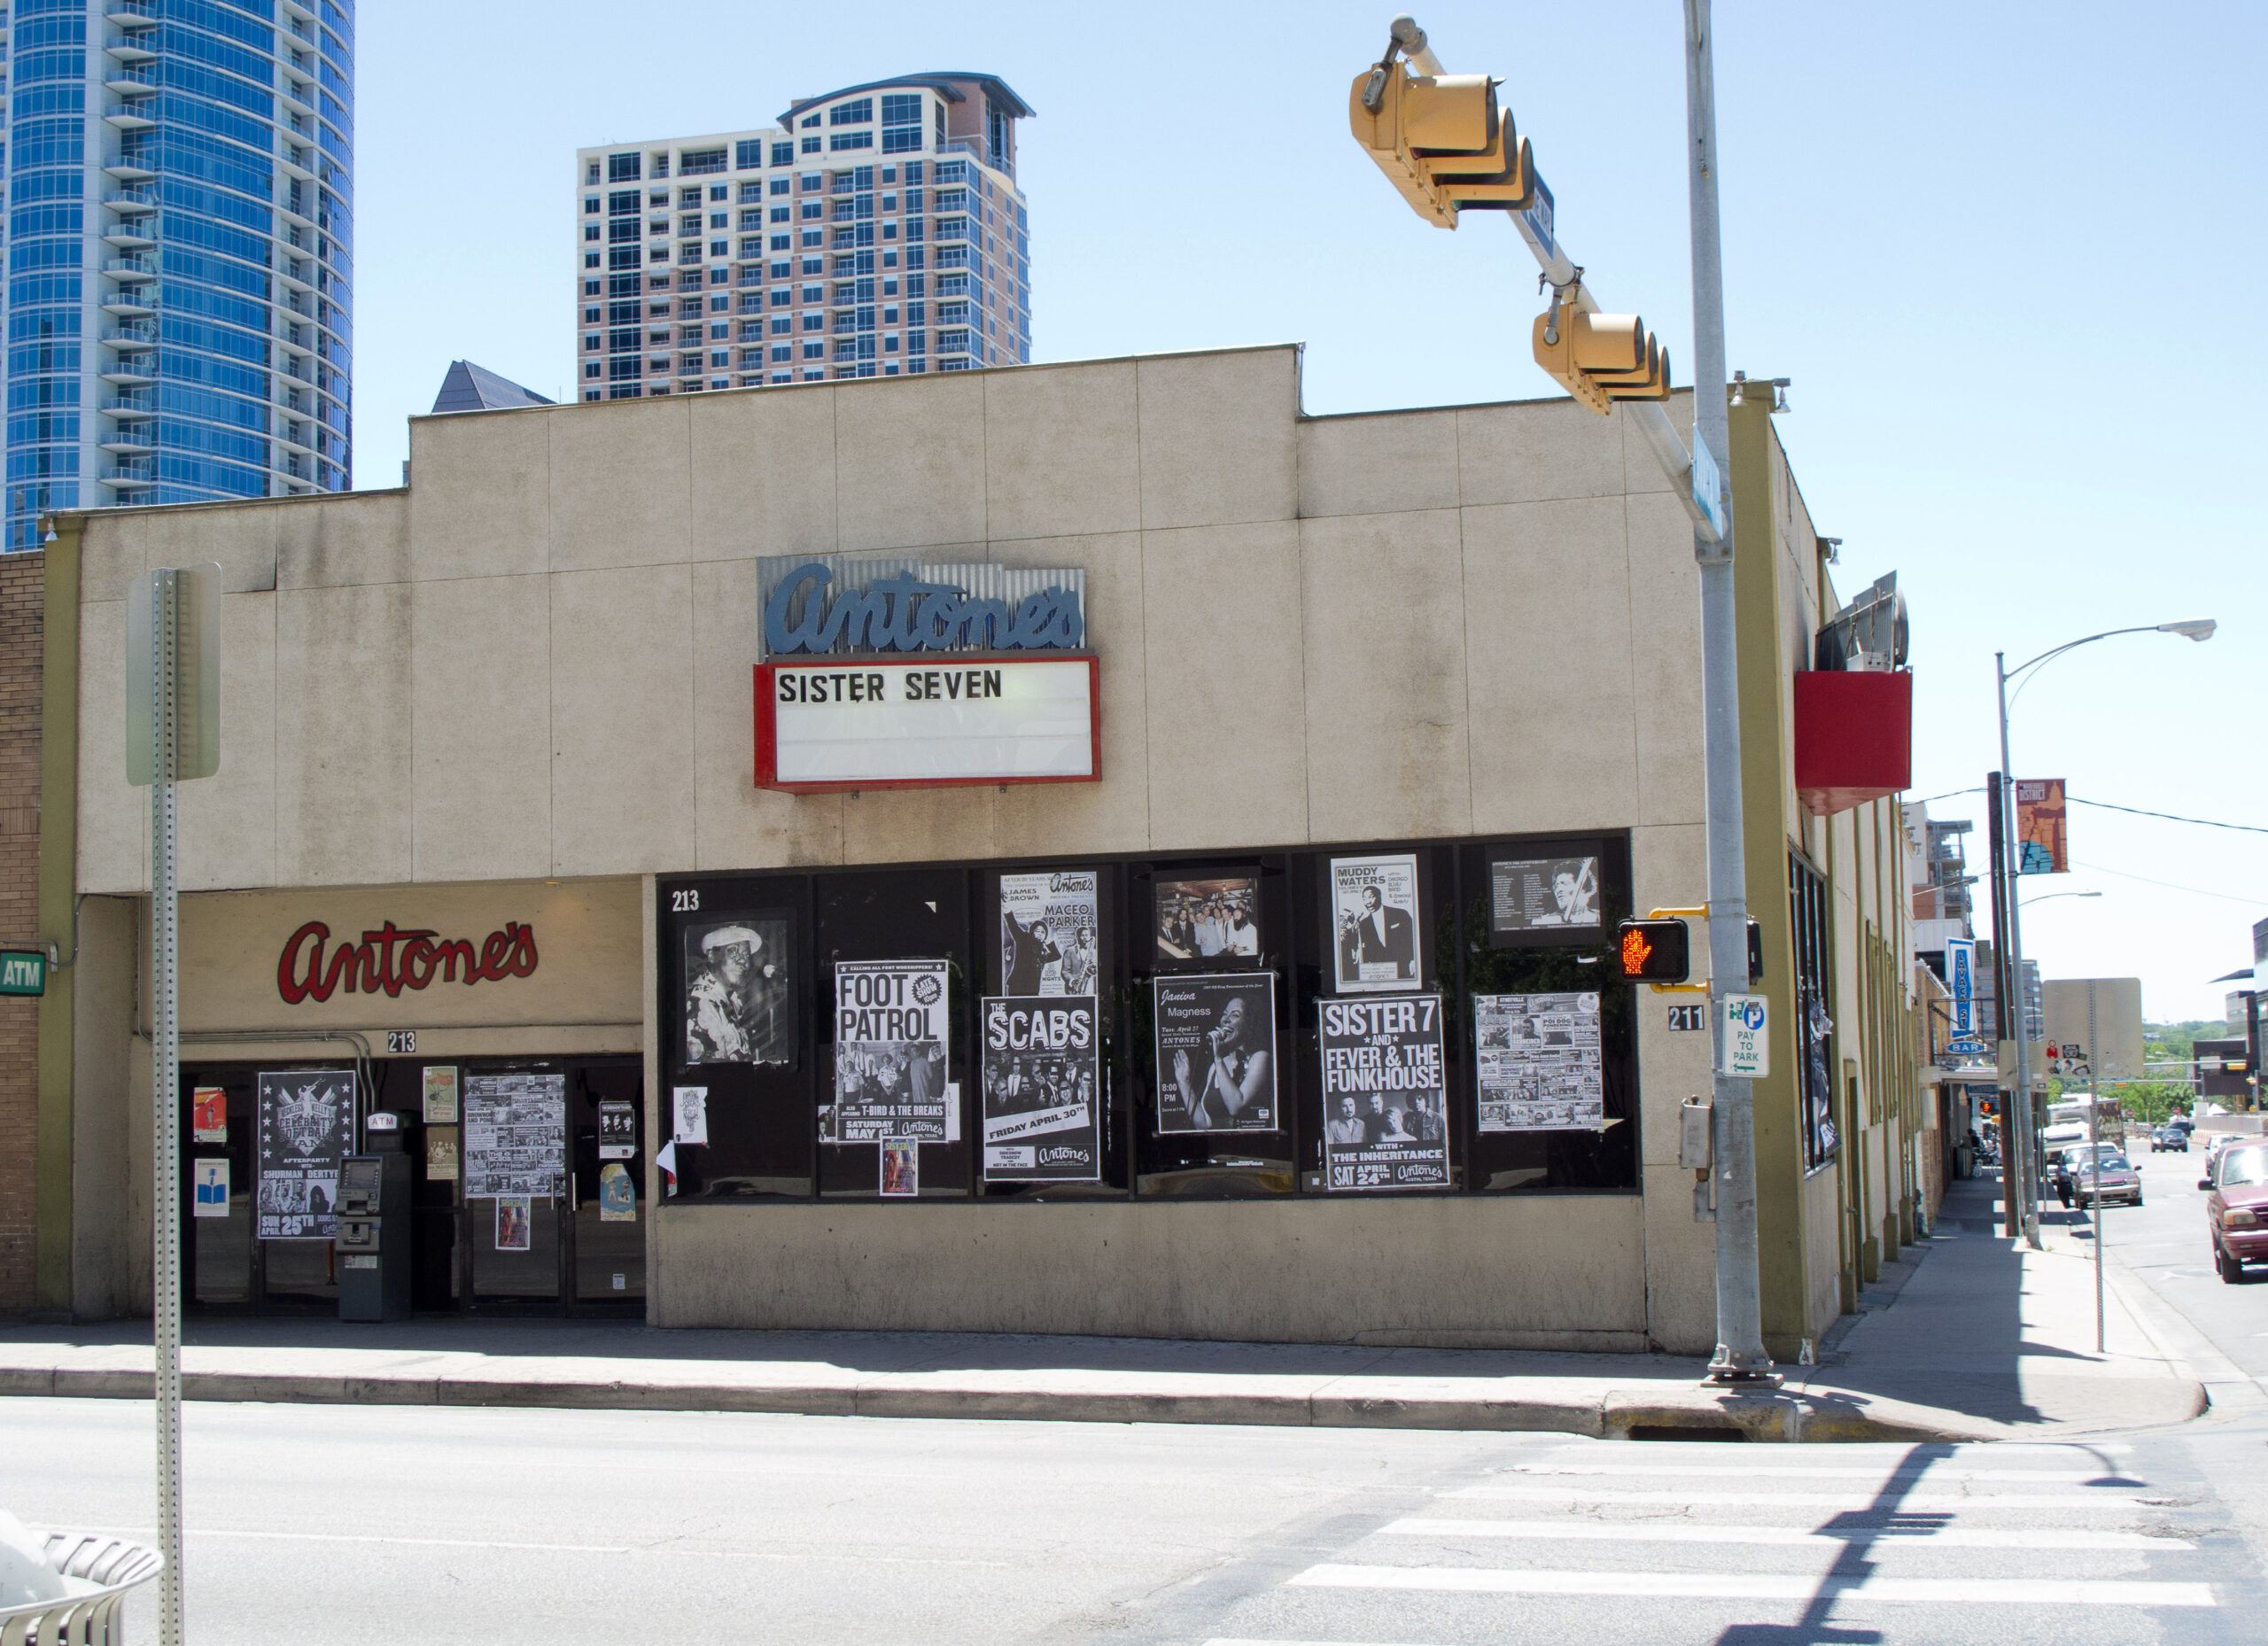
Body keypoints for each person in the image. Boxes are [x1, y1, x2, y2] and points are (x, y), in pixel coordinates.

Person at [686, 923, 790, 1065]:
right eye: (733, 951)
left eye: (746, 954)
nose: (743, 960)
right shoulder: (699, 1003)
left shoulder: (729, 1000)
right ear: (711, 956)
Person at [1170, 992, 1272, 1129]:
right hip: (1217, 1146)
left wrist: (1218, 1059)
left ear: (1249, 1022)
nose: (1226, 1020)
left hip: (1248, 1145)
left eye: (1235, 1015)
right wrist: (1184, 1083)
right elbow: (1204, 1125)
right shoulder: (1215, 1067)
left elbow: (1236, 1106)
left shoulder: (1260, 1057)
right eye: (1224, 1014)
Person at [1339, 883, 1416, 981]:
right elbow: (1352, 944)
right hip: (1381, 974)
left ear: (1379, 896)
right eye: (1364, 899)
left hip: (1403, 969)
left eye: (1371, 897)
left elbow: (1412, 937)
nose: (1368, 902)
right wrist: (1349, 924)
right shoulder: (1363, 924)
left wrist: (1413, 959)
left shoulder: (1400, 914)